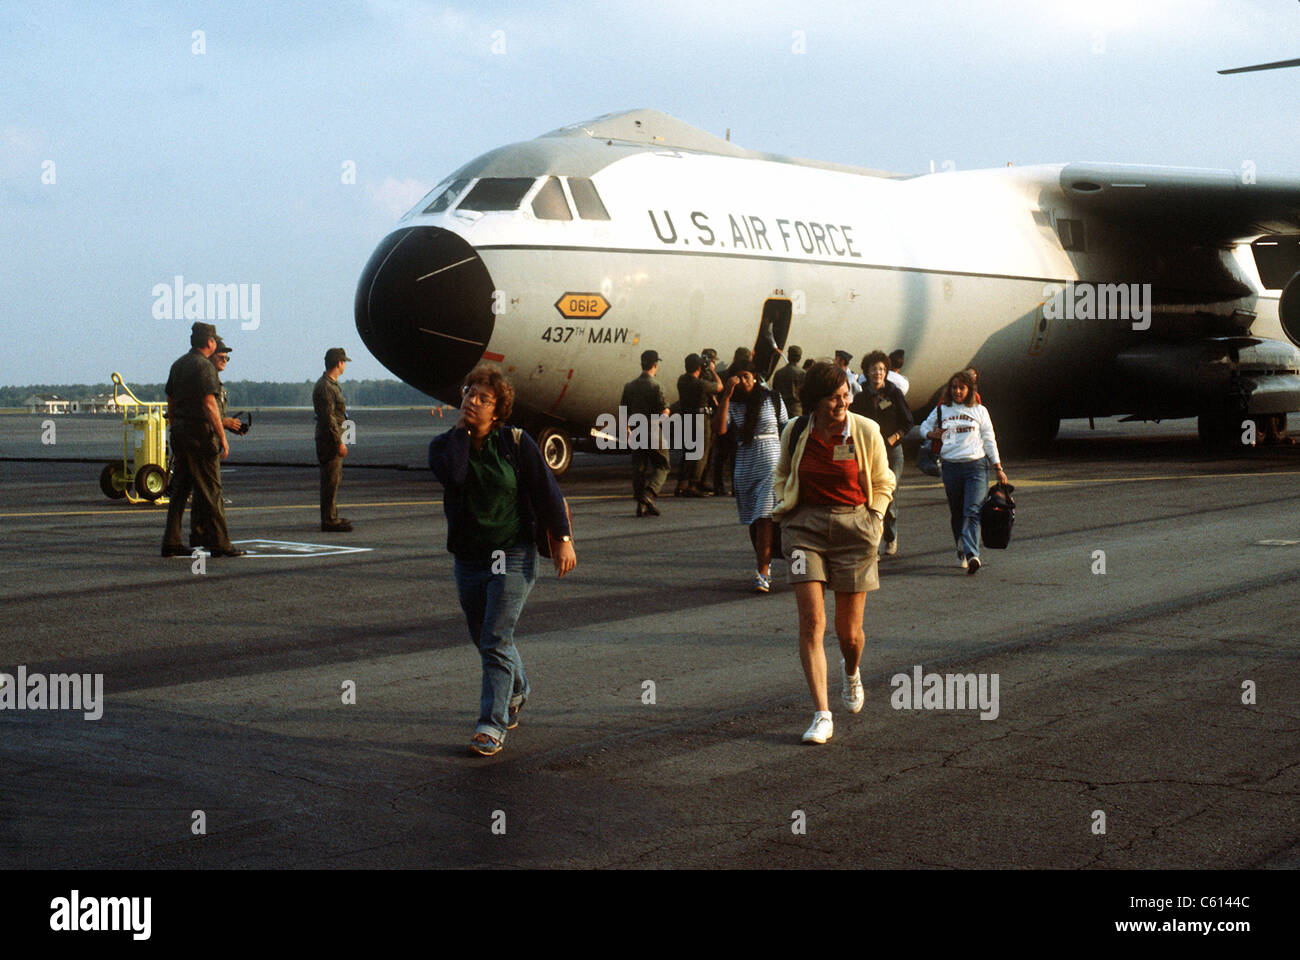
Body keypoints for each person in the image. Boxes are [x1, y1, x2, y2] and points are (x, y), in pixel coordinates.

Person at [429, 363, 576, 757]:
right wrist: (462, 432)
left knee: (494, 637)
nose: (473, 402)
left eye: (483, 399)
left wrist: (563, 539)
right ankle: (519, 688)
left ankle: (490, 725)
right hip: (470, 558)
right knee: (487, 638)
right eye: (469, 395)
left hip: (512, 553)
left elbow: (546, 490)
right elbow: (456, 476)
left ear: (498, 409)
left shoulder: (516, 442)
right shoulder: (444, 446)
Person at [772, 361, 894, 744]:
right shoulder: (795, 431)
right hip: (804, 529)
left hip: (854, 529)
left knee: (849, 633)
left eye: (845, 395)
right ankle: (822, 715)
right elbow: (781, 474)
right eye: (833, 397)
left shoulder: (865, 431)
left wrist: (874, 519)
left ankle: (852, 671)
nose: (841, 403)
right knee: (812, 623)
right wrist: (785, 508)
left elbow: (883, 480)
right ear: (815, 401)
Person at [160, 322, 243, 558]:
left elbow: (171, 400)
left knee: (179, 492)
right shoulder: (204, 367)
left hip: (180, 434)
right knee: (211, 490)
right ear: (209, 343)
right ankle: (220, 543)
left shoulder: (178, 364)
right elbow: (209, 404)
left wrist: (176, 425)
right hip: (200, 436)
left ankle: (171, 541)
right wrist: (222, 435)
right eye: (215, 340)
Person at [917, 369, 1009, 575]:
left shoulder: (979, 411)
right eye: (954, 387)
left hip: (975, 467)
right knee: (957, 511)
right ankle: (961, 546)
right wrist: (932, 433)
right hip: (951, 466)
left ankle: (972, 554)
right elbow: (923, 427)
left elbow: (989, 439)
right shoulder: (943, 409)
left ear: (969, 390)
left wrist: (998, 467)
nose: (957, 391)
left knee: (972, 511)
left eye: (962, 388)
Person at [714, 357, 788, 592]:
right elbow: (721, 429)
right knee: (755, 521)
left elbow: (786, 428)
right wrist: (725, 396)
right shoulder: (733, 405)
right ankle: (765, 562)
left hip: (772, 462)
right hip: (746, 463)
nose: (744, 380)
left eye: (747, 376)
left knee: (765, 517)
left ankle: (763, 573)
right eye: (739, 376)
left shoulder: (772, 398)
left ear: (755, 378)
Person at [850, 351, 913, 557]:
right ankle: (873, 541)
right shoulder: (860, 398)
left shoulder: (894, 394)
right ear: (867, 372)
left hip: (892, 451)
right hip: (869, 451)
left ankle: (891, 536)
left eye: (882, 369)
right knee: (869, 495)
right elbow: (853, 423)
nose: (878, 373)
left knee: (890, 496)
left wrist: (894, 438)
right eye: (874, 369)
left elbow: (908, 422)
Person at [190, 339, 248, 549]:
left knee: (200, 490)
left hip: (207, 438)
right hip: (205, 441)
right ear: (210, 356)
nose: (225, 361)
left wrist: (229, 425)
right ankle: (220, 541)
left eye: (227, 358)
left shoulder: (213, 381)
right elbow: (203, 410)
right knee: (213, 491)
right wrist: (225, 424)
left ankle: (198, 534)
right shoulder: (206, 379)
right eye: (221, 357)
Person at [620, 349, 670, 516]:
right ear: (655, 365)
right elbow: (664, 411)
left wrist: (627, 429)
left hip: (636, 430)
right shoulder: (657, 386)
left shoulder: (629, 386)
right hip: (652, 429)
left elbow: (623, 410)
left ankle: (641, 505)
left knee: (639, 467)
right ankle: (650, 493)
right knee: (663, 464)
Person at [314, 347, 352, 532]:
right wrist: (339, 442)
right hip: (329, 440)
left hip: (333, 437)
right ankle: (329, 520)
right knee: (330, 480)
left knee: (333, 480)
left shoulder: (332, 385)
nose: (345, 365)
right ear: (339, 363)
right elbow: (328, 418)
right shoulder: (325, 387)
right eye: (344, 362)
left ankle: (332, 516)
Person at [673, 353, 721, 496]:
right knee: (701, 452)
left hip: (686, 416)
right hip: (700, 418)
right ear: (699, 367)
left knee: (688, 451)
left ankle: (681, 484)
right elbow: (719, 387)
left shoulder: (682, 380)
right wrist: (713, 371)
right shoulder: (700, 384)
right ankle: (693, 485)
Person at [771, 345, 805, 417]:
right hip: (796, 410)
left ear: (788, 356)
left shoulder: (779, 373)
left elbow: (774, 391)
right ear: (799, 358)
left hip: (781, 409)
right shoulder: (802, 373)